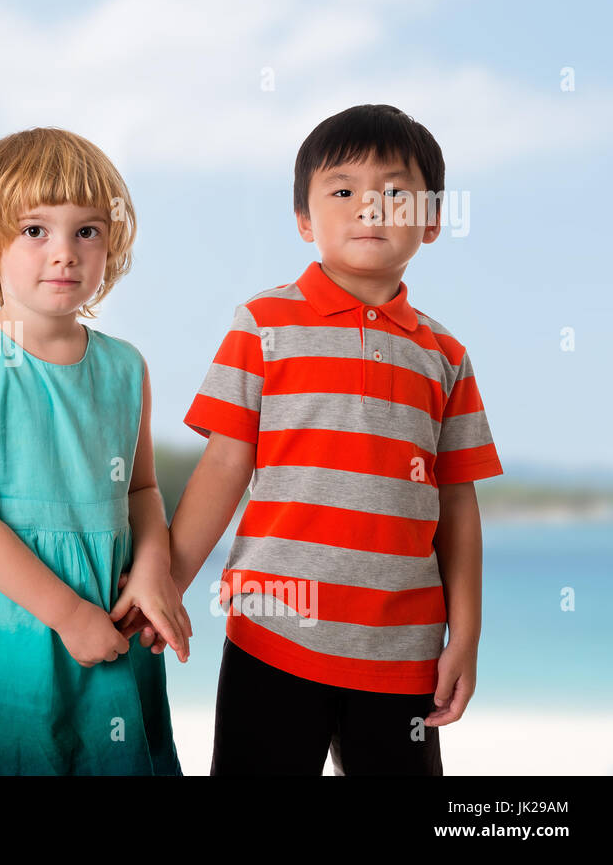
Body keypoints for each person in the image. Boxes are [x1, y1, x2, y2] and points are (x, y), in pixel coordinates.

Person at [165, 104, 502, 775]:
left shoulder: (446, 355)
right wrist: (168, 581)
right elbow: (226, 461)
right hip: (274, 634)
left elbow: (457, 505)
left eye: (395, 192)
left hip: (404, 651)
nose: (369, 207)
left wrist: (465, 635)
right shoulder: (262, 323)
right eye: (343, 190)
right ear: (304, 219)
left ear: (432, 220)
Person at [0, 127, 187, 775]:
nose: (65, 253)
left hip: (112, 611)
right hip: (15, 622)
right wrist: (67, 614)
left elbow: (141, 491)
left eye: (88, 231)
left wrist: (153, 570)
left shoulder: (127, 367)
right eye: (35, 230)